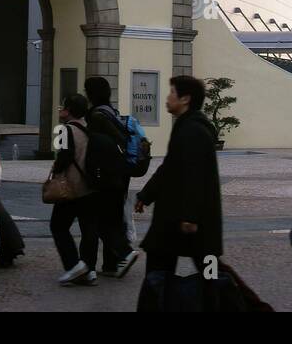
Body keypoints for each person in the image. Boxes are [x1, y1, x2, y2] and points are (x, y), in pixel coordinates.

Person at [135, 75, 223, 280]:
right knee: (164, 267)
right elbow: (169, 168)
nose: (167, 97)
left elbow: (196, 176)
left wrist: (190, 216)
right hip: (177, 217)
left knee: (210, 276)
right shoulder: (186, 126)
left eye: (172, 92)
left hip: (185, 218)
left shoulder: (193, 130)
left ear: (185, 99)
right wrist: (146, 195)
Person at [83, 75, 140, 277]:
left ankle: (123, 253)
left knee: (100, 219)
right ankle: (111, 263)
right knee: (113, 217)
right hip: (120, 172)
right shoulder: (112, 112)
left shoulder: (98, 116)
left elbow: (97, 146)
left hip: (107, 174)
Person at [49, 93, 102, 285]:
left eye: (63, 106)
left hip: (71, 188)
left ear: (68, 110)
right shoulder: (90, 128)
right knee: (89, 228)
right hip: (90, 186)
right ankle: (89, 268)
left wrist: (55, 169)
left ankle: (73, 266)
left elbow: (62, 158)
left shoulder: (63, 130)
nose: (60, 110)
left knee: (58, 226)